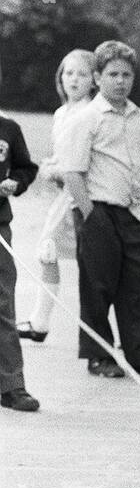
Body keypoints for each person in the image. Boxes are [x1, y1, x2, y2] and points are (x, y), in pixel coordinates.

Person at [62, 40, 140, 379]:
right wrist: (91, 215)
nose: (120, 81)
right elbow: (72, 171)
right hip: (99, 210)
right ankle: (99, 355)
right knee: (98, 285)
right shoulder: (87, 119)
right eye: (112, 74)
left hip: (135, 213)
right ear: (97, 77)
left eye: (126, 75)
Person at [17, 50, 96, 344]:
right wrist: (51, 167)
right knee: (46, 251)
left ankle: (97, 330)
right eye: (68, 73)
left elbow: (82, 164)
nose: (74, 79)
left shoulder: (91, 113)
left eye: (82, 74)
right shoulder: (62, 114)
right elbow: (59, 156)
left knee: (91, 263)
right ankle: (40, 321)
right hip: (65, 196)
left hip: (84, 195)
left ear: (93, 80)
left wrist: (58, 171)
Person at [0, 101, 41, 411]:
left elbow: (27, 167)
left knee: (3, 306)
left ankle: (12, 385)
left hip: (0, 230)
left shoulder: (10, 129)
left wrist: (17, 182)